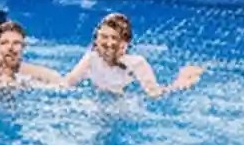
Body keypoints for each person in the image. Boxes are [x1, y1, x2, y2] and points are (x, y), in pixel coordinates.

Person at [61, 13, 204, 97]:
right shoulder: (91, 58)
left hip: (125, 107)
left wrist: (179, 85)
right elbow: (67, 82)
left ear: (125, 43)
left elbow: (154, 94)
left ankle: (184, 78)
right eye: (104, 37)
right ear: (96, 39)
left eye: (114, 38)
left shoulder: (136, 63)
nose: (109, 43)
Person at [0, 21, 62, 91]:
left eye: (16, 43)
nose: (10, 47)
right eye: (4, 43)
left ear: (23, 48)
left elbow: (62, 83)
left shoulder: (29, 75)